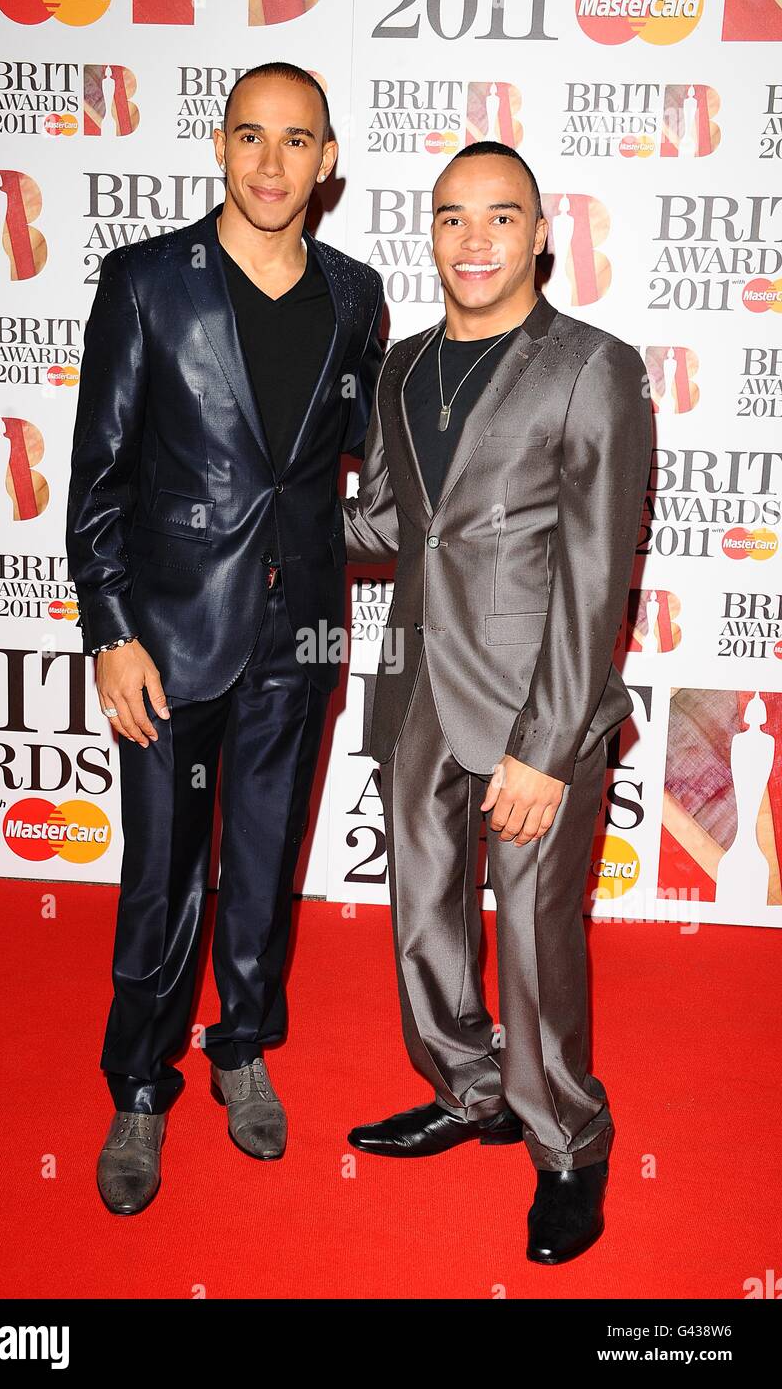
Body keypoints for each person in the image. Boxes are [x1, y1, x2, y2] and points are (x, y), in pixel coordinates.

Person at [66, 62, 385, 1214]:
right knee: (160, 874)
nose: (269, 164)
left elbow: (346, 467)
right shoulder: (149, 282)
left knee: (263, 860)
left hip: (295, 633)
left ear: (328, 159)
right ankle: (139, 1088)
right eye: (250, 137)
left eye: (295, 141)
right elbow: (96, 477)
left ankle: (241, 1043)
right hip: (167, 632)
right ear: (219, 144)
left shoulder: (355, 295)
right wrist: (111, 629)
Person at [341, 140, 653, 1264]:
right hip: (419, 680)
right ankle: (468, 1088)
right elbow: (387, 524)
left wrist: (550, 747)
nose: (475, 239)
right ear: (432, 233)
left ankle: (568, 1138)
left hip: (536, 707)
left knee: (531, 932)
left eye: (500, 217)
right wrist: (262, 516)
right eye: (452, 218)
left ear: (538, 236)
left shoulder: (591, 366)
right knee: (421, 912)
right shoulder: (404, 366)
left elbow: (595, 570)